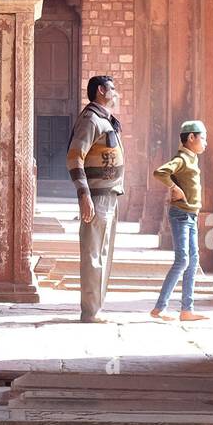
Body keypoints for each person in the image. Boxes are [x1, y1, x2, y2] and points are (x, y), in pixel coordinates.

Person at [66, 75, 124, 323]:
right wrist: (84, 195)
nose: (116, 93)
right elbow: (75, 157)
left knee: (103, 254)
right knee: (93, 255)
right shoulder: (90, 120)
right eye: (113, 89)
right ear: (101, 90)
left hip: (110, 196)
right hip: (97, 198)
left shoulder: (105, 120)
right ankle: (90, 311)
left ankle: (96, 308)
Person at [150, 120, 209, 323]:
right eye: (203, 137)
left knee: (193, 261)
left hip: (191, 215)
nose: (205, 143)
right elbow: (160, 172)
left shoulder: (192, 159)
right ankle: (160, 307)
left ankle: (187, 310)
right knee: (183, 260)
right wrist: (174, 188)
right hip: (181, 215)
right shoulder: (182, 158)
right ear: (191, 138)